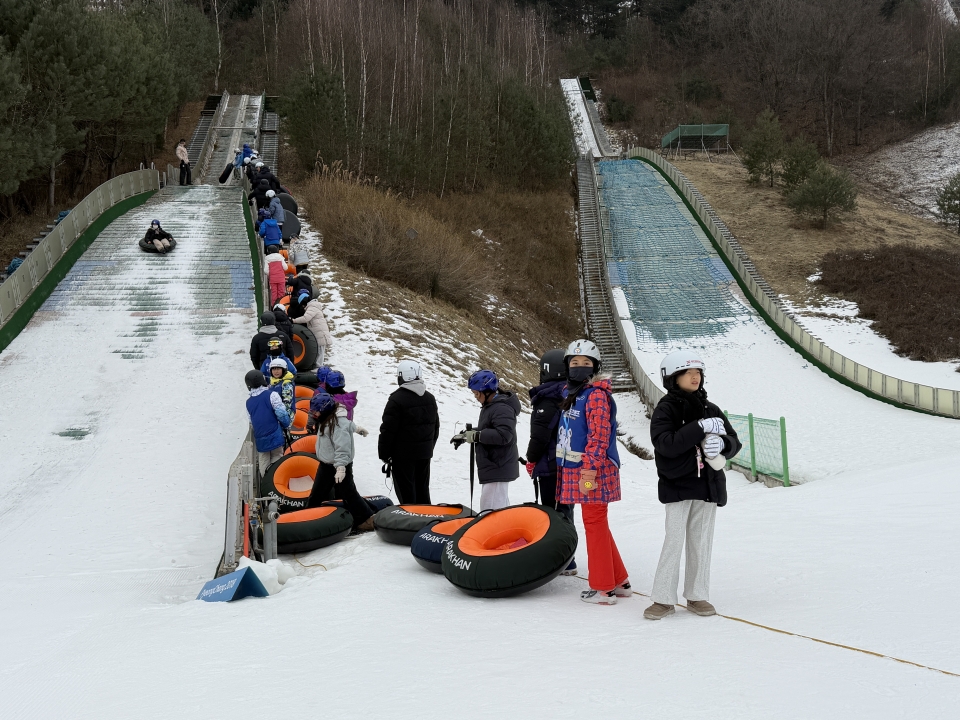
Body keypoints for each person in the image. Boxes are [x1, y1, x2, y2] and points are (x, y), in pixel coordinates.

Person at [644, 350, 741, 621]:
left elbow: (734, 441)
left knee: (701, 542)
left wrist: (723, 444)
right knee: (673, 541)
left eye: (698, 372)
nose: (694, 377)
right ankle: (663, 599)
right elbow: (666, 444)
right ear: (673, 378)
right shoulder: (666, 408)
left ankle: (697, 595)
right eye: (687, 372)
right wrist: (699, 427)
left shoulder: (712, 408)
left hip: (708, 485)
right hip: (677, 485)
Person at [556, 339, 628, 605]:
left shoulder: (595, 394)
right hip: (580, 467)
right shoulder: (572, 392)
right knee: (597, 523)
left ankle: (603, 589)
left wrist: (589, 469)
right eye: (574, 362)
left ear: (595, 366)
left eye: (586, 363)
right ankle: (619, 580)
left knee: (594, 523)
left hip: (593, 470)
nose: (579, 366)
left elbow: (599, 434)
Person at [526, 348, 577, 576]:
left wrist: (531, 460)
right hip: (568, 465)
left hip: (551, 466)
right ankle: (568, 558)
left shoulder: (548, 400)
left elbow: (540, 437)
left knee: (553, 513)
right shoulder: (572, 395)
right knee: (565, 510)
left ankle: (561, 560)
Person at [451, 370, 520, 511]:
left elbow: (504, 435)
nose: (475, 397)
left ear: (487, 392)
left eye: (477, 393)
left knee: (491, 509)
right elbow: (488, 428)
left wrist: (477, 436)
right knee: (496, 507)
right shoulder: (492, 406)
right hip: (494, 464)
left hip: (498, 464)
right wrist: (466, 435)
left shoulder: (501, 408)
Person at [307, 392, 376, 532]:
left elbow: (342, 448)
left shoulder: (337, 424)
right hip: (327, 464)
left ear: (325, 409)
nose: (314, 414)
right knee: (318, 493)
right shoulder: (327, 418)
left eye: (316, 411)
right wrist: (356, 428)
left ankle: (367, 519)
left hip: (339, 465)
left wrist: (341, 468)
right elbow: (347, 424)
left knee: (348, 493)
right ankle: (308, 517)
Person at [378, 360, 440, 504]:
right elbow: (435, 427)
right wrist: (428, 447)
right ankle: (427, 515)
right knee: (422, 491)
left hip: (402, 455)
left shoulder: (396, 399)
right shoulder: (429, 398)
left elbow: (388, 430)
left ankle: (410, 516)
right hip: (424, 454)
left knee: (407, 493)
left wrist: (384, 454)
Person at [245, 369, 291, 477]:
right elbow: (281, 413)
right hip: (274, 432)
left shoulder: (248, 402)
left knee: (263, 459)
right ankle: (276, 479)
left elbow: (251, 421)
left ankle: (265, 480)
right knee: (277, 455)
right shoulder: (272, 395)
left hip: (260, 436)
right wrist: (286, 424)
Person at [291, 295, 332, 368]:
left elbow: (305, 318)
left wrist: (293, 320)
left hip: (320, 332)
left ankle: (319, 367)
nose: (303, 307)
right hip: (318, 331)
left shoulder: (312, 307)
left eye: (303, 305)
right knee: (318, 350)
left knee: (320, 351)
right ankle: (318, 366)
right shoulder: (313, 306)